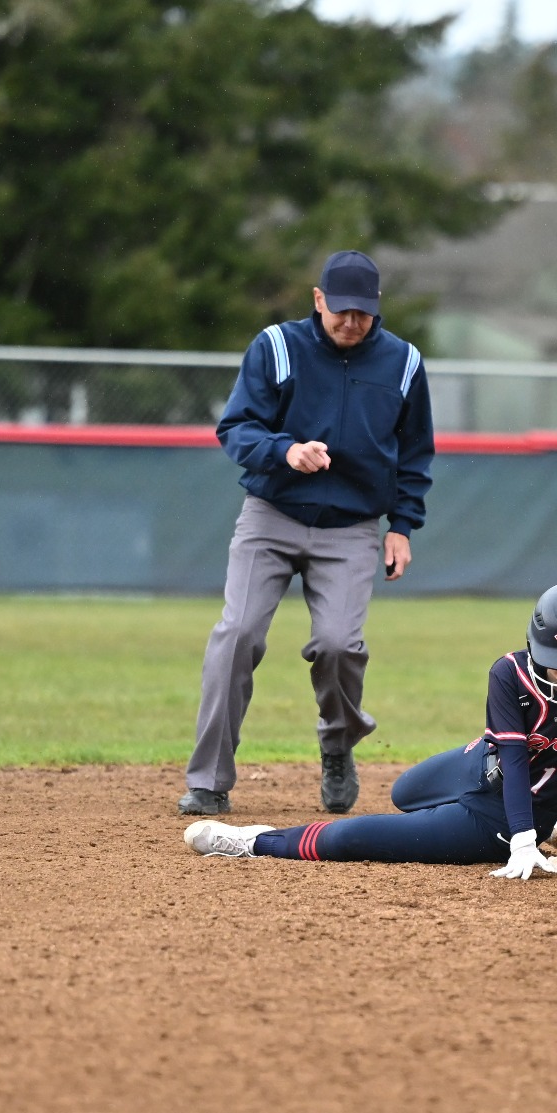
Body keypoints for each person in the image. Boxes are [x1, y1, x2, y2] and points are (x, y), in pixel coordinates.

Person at [183, 583, 557, 878]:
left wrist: (522, 837)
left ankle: (253, 842)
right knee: (404, 792)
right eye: (556, 661)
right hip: (484, 766)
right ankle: (547, 827)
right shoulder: (508, 672)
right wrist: (531, 834)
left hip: (495, 821)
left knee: (356, 838)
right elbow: (510, 758)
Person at [179, 251, 435, 818]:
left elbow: (415, 452)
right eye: (341, 310)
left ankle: (338, 746)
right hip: (272, 515)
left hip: (351, 528)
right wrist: (285, 451)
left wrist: (403, 526)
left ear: (377, 308)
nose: (352, 322)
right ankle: (209, 780)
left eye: (363, 313)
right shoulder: (276, 347)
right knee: (237, 635)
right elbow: (236, 427)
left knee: (339, 646)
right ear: (318, 300)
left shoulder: (403, 363)